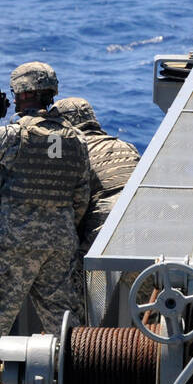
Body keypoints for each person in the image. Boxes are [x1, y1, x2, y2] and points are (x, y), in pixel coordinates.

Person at [0, 61, 90, 353]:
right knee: (67, 329)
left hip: (12, 244)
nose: (14, 98)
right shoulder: (76, 140)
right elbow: (81, 197)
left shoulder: (12, 135)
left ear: (26, 94)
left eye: (16, 93)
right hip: (59, 245)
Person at [55, 97, 142, 318]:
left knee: (76, 294)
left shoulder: (73, 150)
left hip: (106, 225)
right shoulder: (123, 145)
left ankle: (79, 346)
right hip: (147, 220)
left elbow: (76, 205)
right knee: (145, 297)